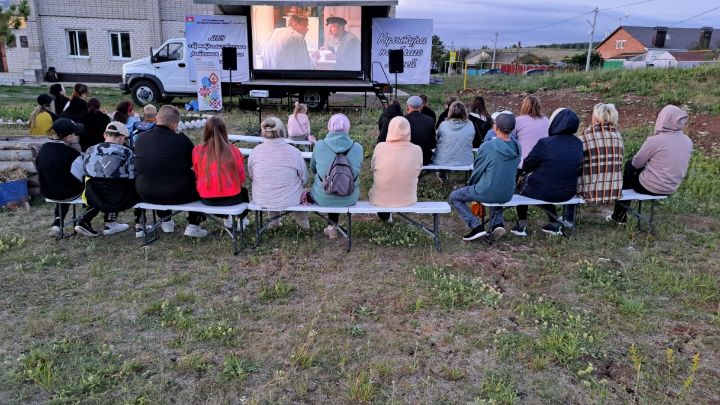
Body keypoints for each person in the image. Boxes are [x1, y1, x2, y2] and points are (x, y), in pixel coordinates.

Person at [609, 104, 693, 223]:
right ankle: (620, 215)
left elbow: (636, 163)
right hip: (671, 187)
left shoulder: (655, 140)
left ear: (663, 119)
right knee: (638, 168)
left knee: (629, 165)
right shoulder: (687, 141)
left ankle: (619, 216)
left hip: (649, 187)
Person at [134, 105, 208, 238]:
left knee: (159, 173)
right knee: (196, 178)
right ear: (175, 124)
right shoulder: (181, 140)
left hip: (145, 192)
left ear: (156, 119)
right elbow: (196, 164)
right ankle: (193, 224)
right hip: (179, 193)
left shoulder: (141, 138)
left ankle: (166, 220)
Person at [511, 108, 583, 237]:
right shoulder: (578, 144)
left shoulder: (545, 143)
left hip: (545, 190)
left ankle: (522, 223)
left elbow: (527, 164)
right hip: (568, 192)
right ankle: (554, 223)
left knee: (522, 185)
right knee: (547, 184)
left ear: (555, 123)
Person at [449, 112, 520, 241]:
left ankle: (476, 226)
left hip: (487, 190)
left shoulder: (488, 147)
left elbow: (478, 170)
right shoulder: (517, 147)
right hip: (507, 192)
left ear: (496, 127)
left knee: (454, 197)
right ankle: (497, 223)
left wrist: (472, 186)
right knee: (496, 185)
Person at [36, 118, 100, 236]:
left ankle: (57, 222)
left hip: (47, 191)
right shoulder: (72, 154)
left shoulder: (43, 148)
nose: (78, 136)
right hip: (66, 193)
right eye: (76, 134)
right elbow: (81, 177)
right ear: (69, 137)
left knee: (61, 183)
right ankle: (84, 220)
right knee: (96, 188)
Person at [248, 117, 310, 230]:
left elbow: (251, 176)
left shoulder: (255, 151)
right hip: (291, 198)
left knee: (271, 185)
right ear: (282, 130)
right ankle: (304, 224)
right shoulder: (294, 152)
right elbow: (304, 177)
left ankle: (273, 223)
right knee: (298, 188)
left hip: (262, 198)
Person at [83, 122, 144, 236]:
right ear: (122, 137)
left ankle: (109, 222)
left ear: (104, 134)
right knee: (136, 183)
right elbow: (132, 176)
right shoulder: (127, 152)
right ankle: (140, 225)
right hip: (120, 197)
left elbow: (86, 172)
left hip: (94, 195)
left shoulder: (90, 149)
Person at [310, 114, 363, 239]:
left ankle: (331, 226)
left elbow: (313, 169)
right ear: (348, 128)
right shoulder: (357, 147)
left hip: (323, 196)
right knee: (340, 185)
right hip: (350, 196)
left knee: (328, 185)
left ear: (329, 127)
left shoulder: (319, 145)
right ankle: (332, 226)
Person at [369, 116, 423, 222]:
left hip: (380, 199)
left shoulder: (380, 147)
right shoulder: (417, 150)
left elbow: (372, 168)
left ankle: (385, 216)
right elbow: (418, 171)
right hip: (408, 199)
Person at [577, 103, 625, 204]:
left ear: (596, 117)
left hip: (588, 193)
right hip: (614, 191)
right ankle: (619, 216)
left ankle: (568, 218)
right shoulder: (618, 136)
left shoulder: (585, 136)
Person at [432, 100, 475, 167]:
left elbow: (436, 138)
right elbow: (471, 138)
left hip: (442, 160)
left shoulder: (443, 125)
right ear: (464, 112)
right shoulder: (470, 124)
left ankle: (442, 174)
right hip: (465, 161)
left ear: (450, 112)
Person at [515, 95, 549, 169]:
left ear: (524, 106)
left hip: (523, 164)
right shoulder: (546, 120)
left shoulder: (518, 120)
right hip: (542, 163)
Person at [404, 95, 436, 165]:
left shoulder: (403, 120)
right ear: (421, 107)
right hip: (424, 158)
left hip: (406, 158)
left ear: (407, 106)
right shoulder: (430, 120)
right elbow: (433, 144)